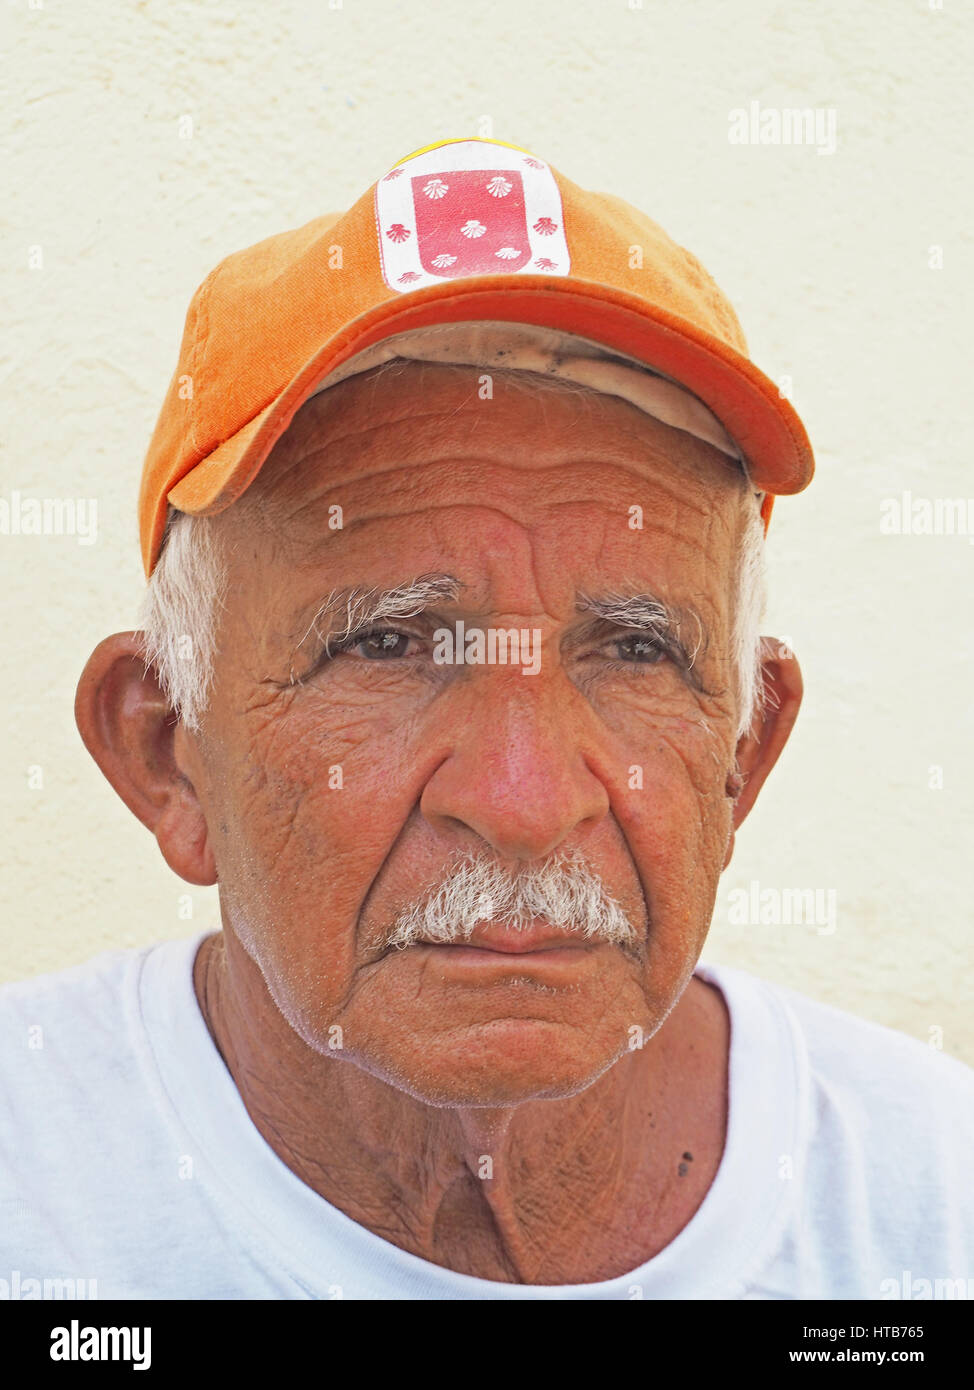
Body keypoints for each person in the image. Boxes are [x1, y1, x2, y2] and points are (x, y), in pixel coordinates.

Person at [2, 137, 971, 1300]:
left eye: (633, 650)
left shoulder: (930, 1201)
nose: (522, 802)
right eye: (388, 643)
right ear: (167, 755)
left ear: (739, 759)